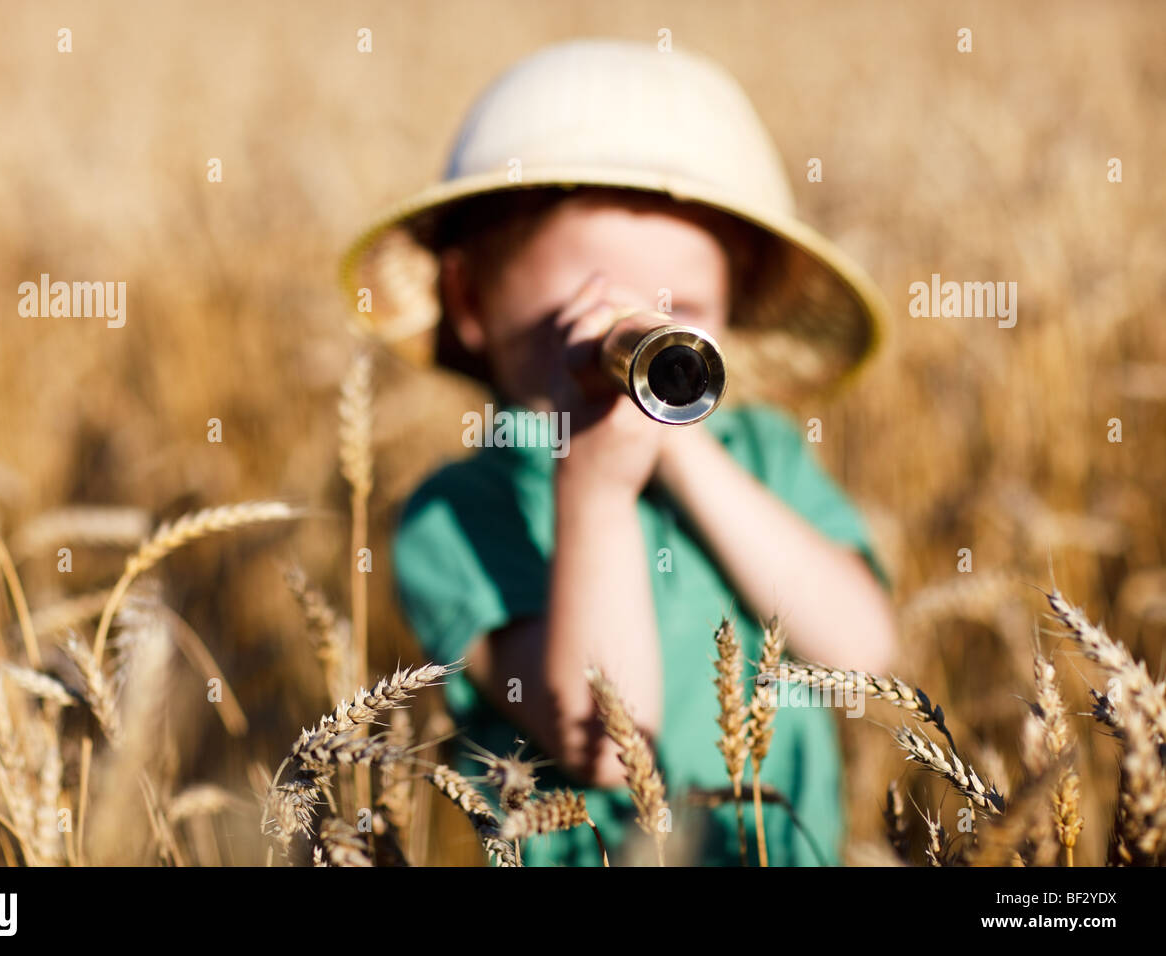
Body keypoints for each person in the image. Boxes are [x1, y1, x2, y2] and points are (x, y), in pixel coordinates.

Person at [340, 38, 897, 866]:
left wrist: (680, 447)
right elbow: (606, 741)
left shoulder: (762, 453)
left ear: (734, 304)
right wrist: (594, 491)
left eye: (684, 311)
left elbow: (862, 650)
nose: (641, 332)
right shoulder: (458, 514)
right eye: (589, 311)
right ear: (469, 301)